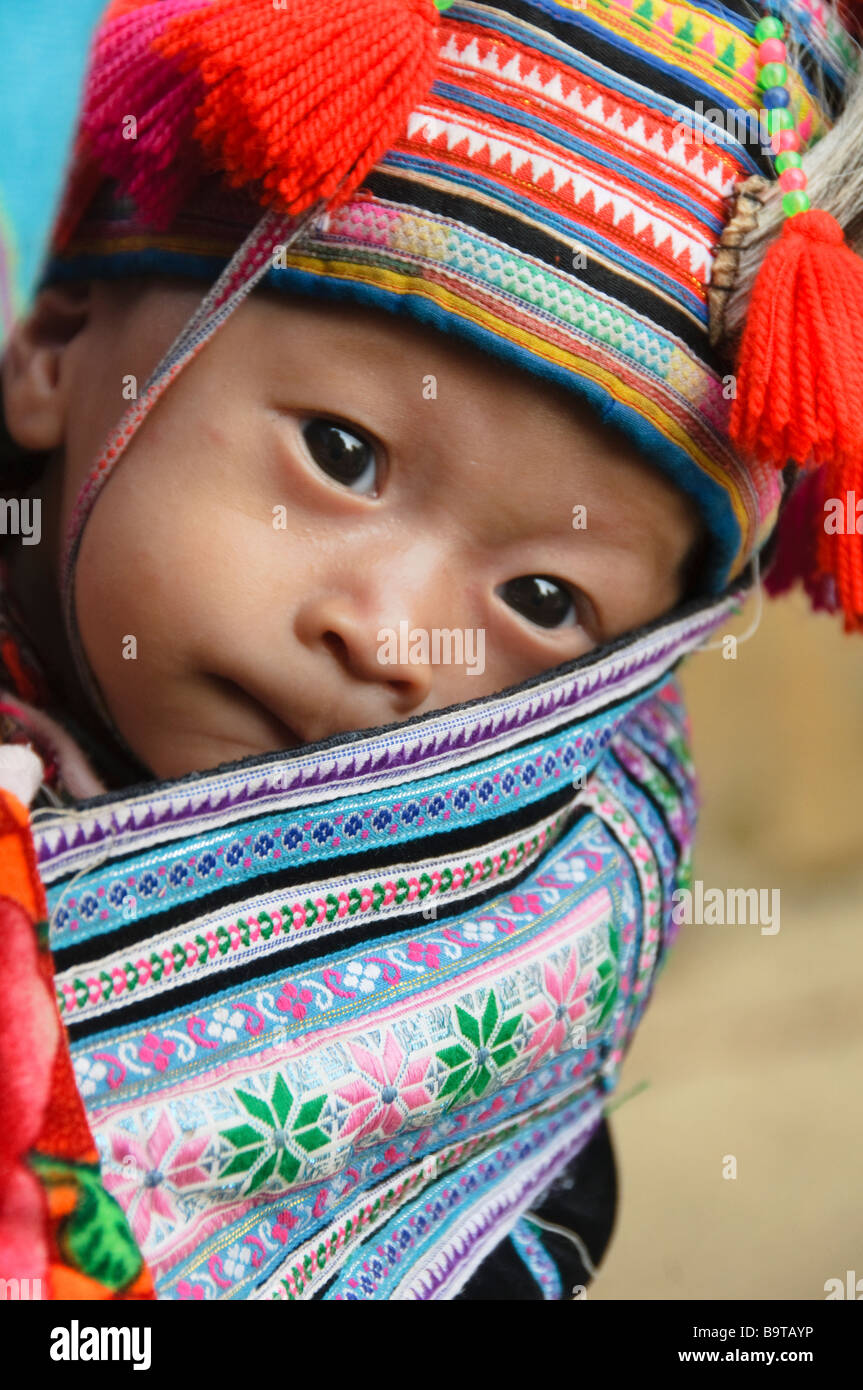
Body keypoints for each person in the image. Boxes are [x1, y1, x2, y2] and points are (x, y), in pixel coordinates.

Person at [0, 0, 860, 1300]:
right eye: (340, 454)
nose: (392, 640)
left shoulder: (500, 1110)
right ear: (58, 343)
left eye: (544, 596)